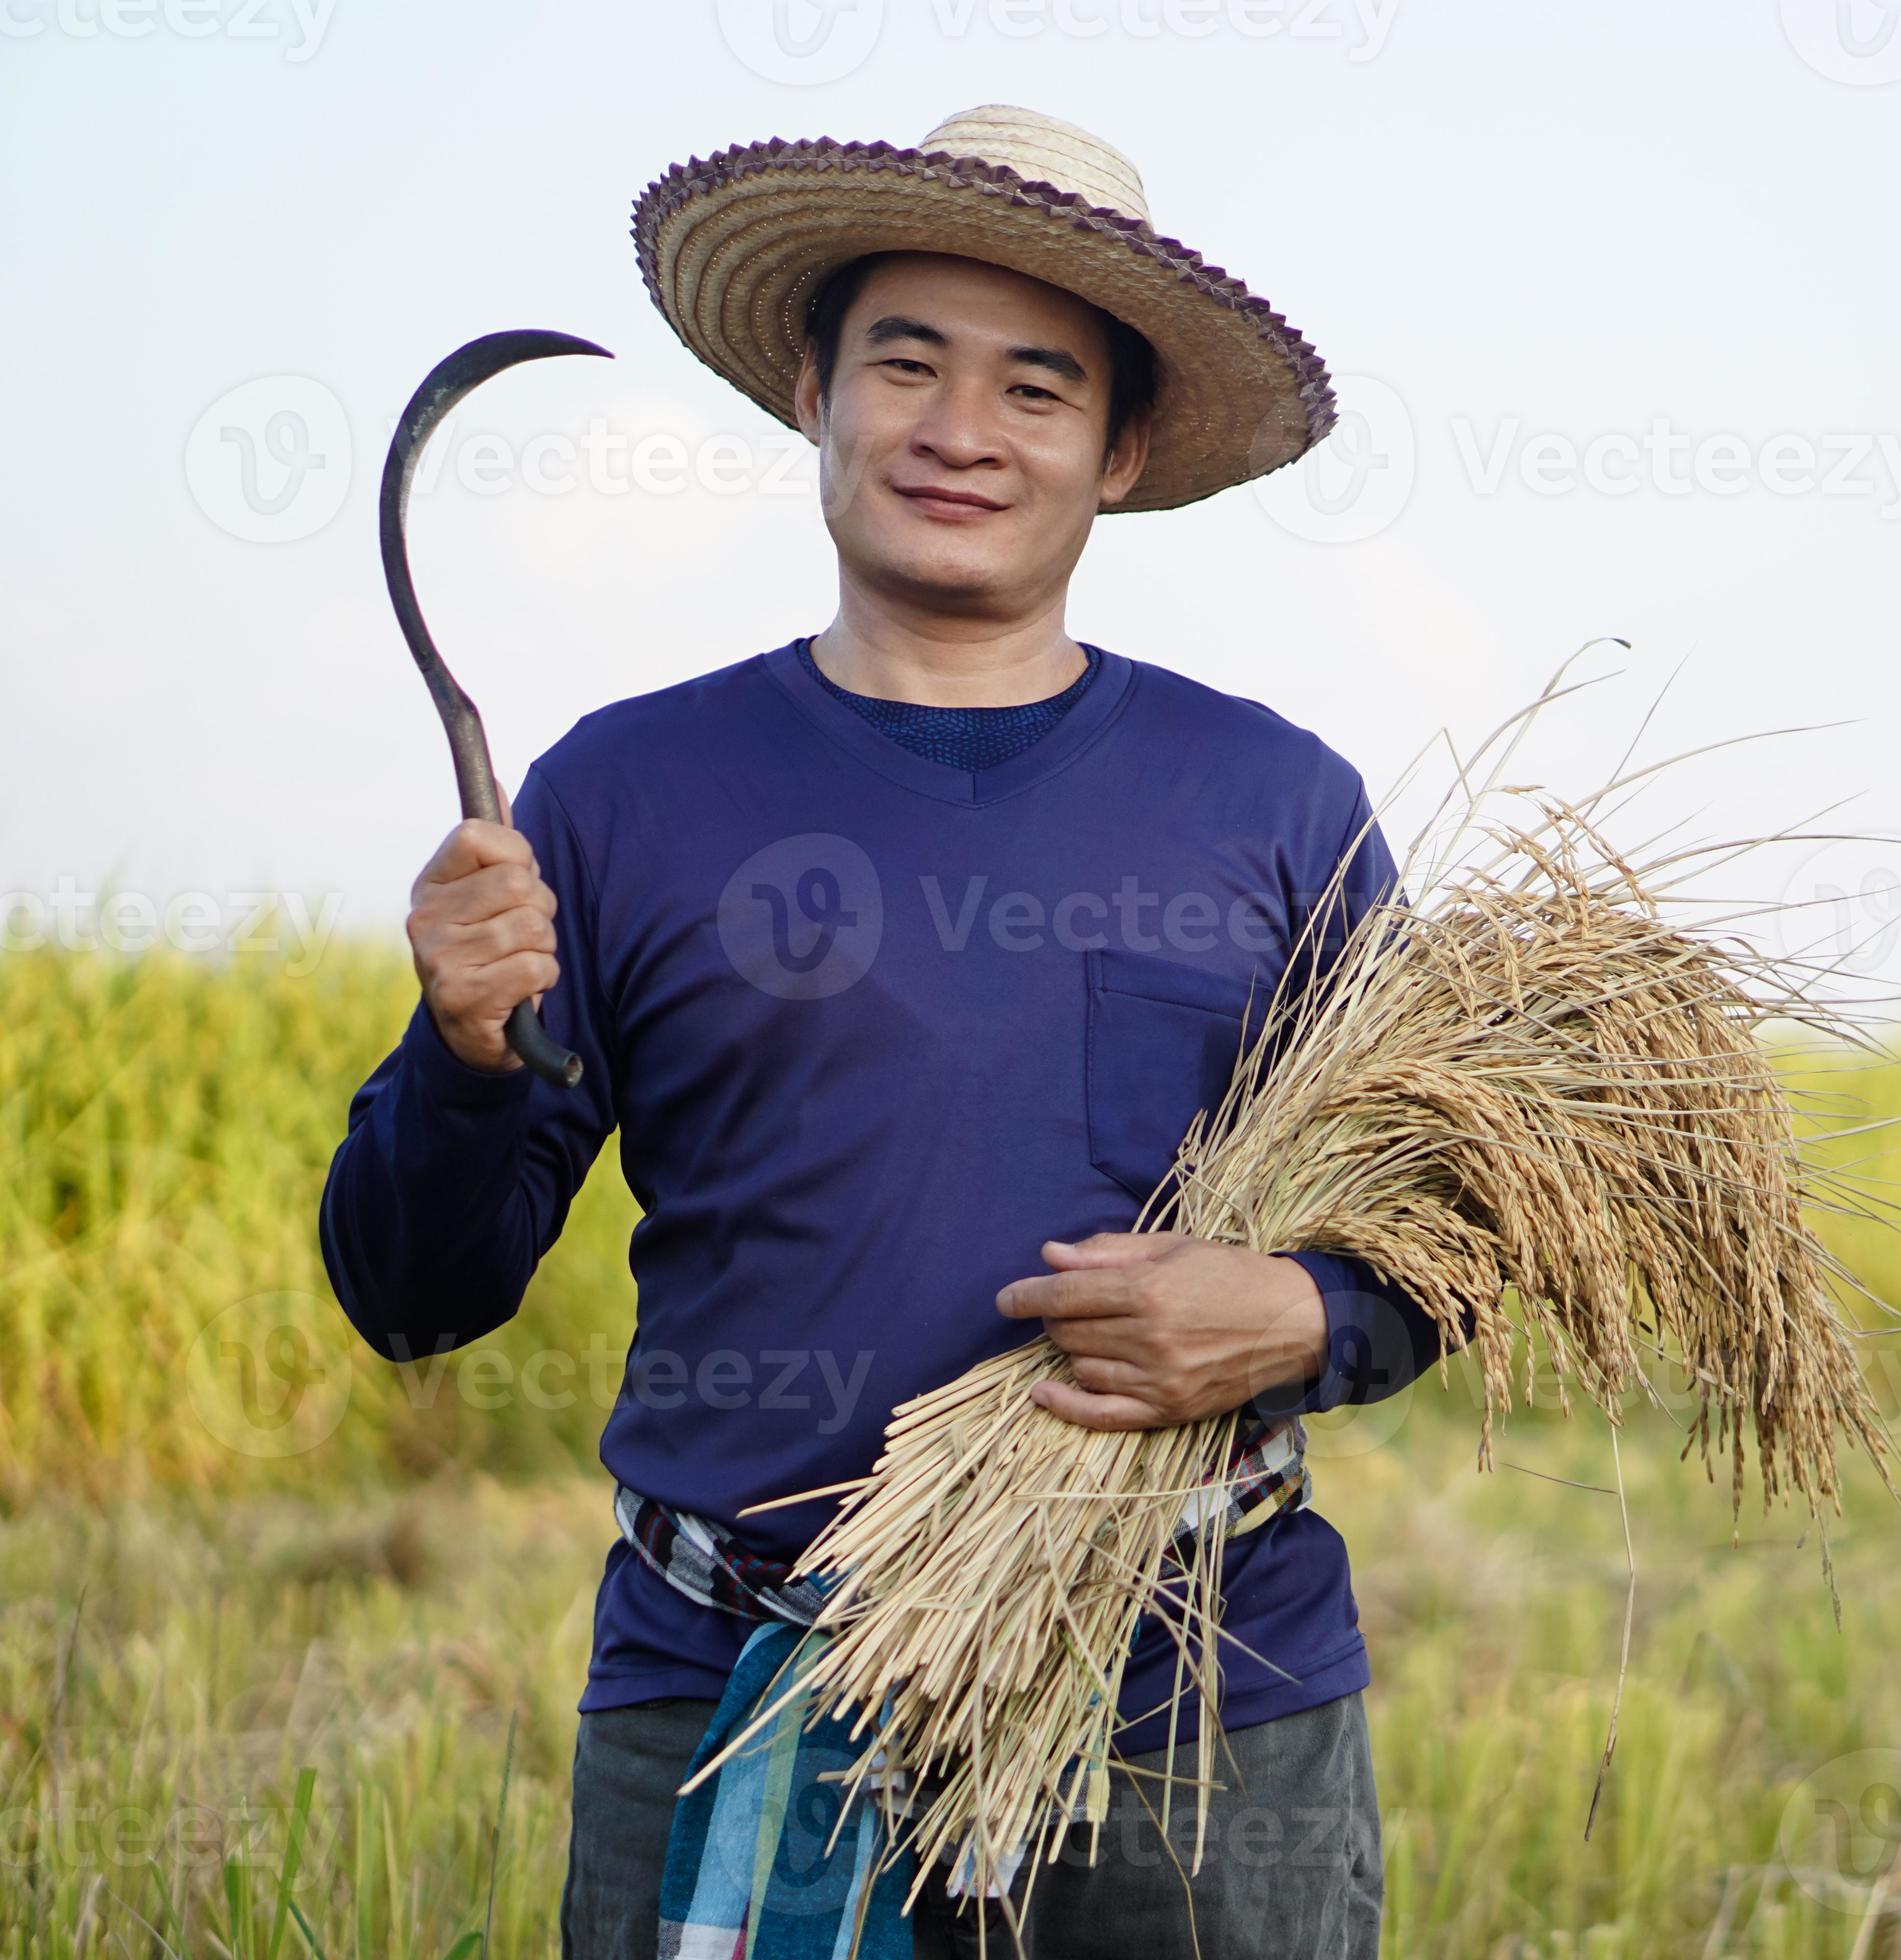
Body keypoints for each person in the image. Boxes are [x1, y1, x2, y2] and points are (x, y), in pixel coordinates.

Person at [316, 103, 1452, 1960]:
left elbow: (1443, 1244)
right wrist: (459, 1052)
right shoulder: (619, 795)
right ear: (812, 397)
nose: (960, 431)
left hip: (1187, 1726)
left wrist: (1303, 1313)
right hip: (729, 1695)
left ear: (1122, 447)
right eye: (905, 362)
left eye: (1037, 385)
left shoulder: (1272, 803)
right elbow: (415, 1294)